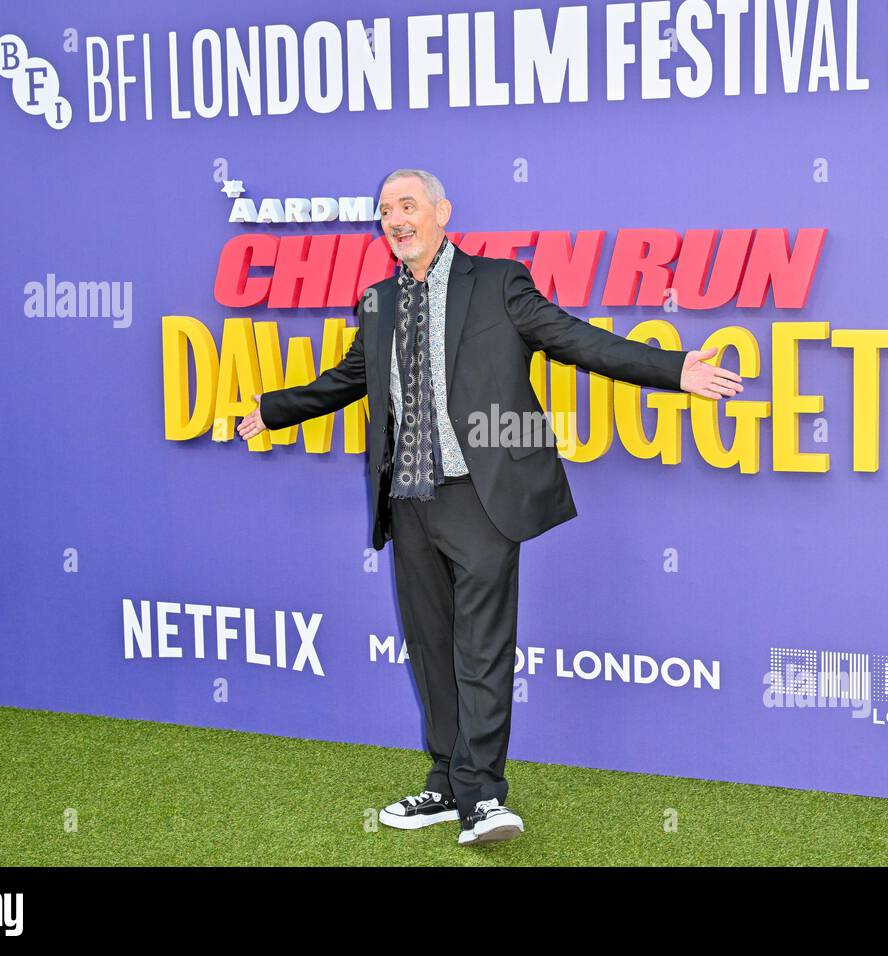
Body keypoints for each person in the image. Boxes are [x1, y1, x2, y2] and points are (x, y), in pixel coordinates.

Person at [236, 169, 743, 846]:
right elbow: (350, 380)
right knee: (429, 650)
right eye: (385, 209)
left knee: (480, 649)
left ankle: (484, 799)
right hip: (406, 498)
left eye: (408, 205)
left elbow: (575, 339)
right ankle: (446, 784)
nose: (395, 218)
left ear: (442, 212)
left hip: (480, 495)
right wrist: (273, 410)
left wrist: (673, 368)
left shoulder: (499, 283)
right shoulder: (379, 301)